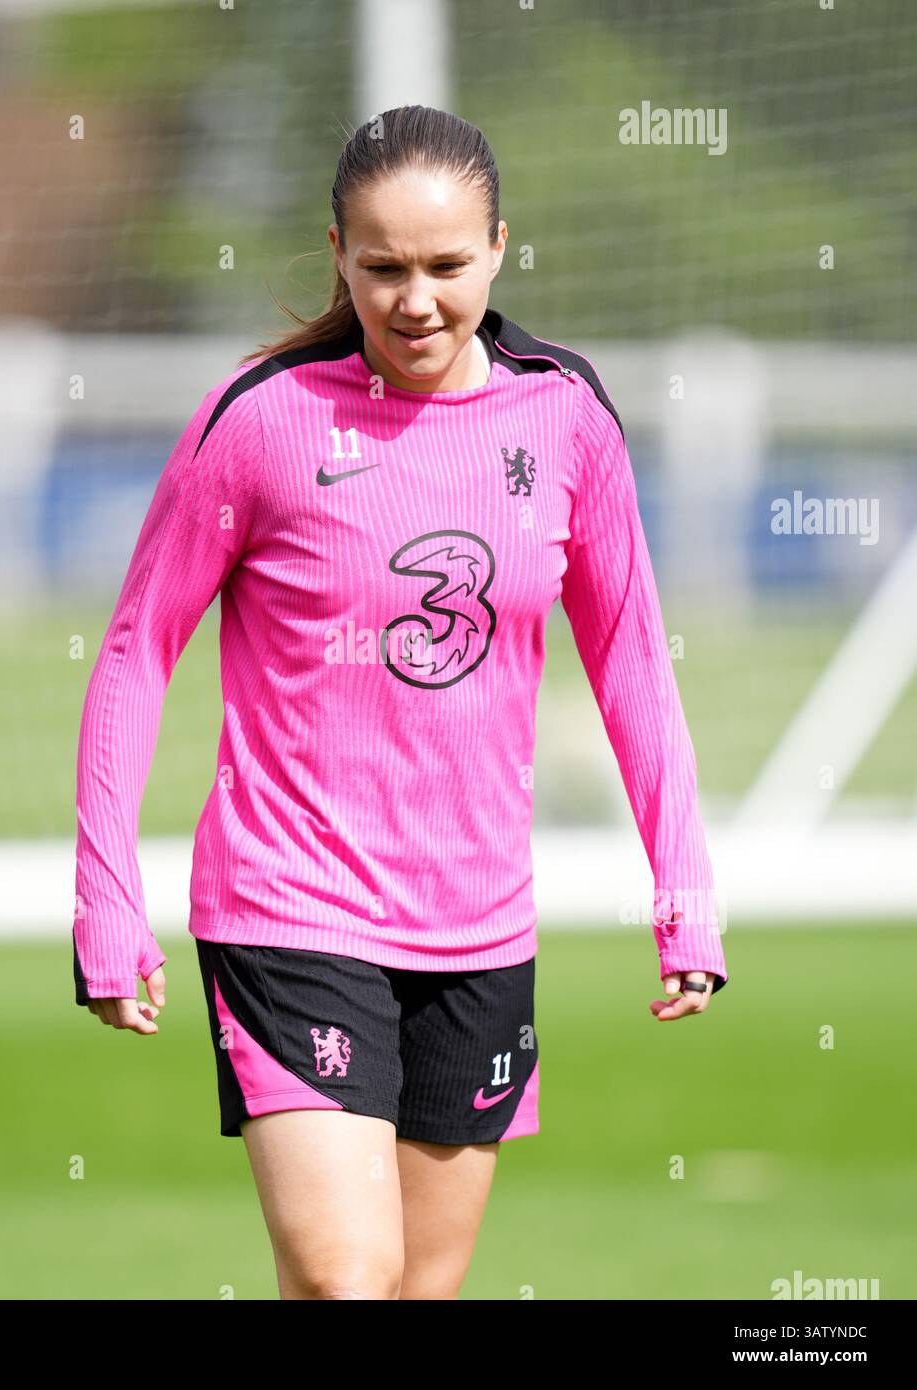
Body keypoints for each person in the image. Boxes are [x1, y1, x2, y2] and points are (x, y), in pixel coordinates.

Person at [72, 104, 729, 1300]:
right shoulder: (260, 420)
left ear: (497, 249)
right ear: (336, 252)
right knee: (345, 1279)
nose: (413, 299)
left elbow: (632, 658)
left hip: (476, 925)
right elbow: (131, 650)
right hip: (289, 902)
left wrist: (684, 894)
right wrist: (104, 905)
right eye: (381, 267)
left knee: (415, 1292)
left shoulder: (566, 418)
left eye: (443, 266)